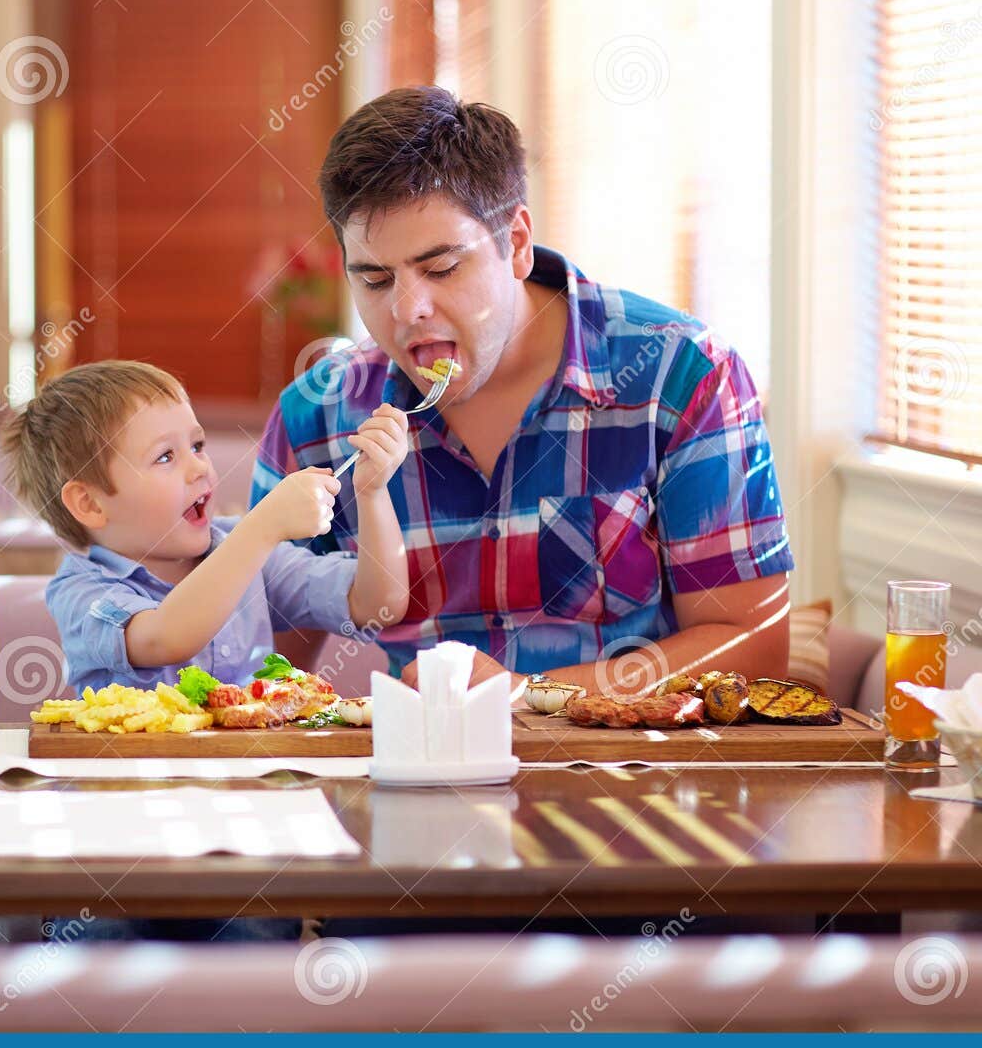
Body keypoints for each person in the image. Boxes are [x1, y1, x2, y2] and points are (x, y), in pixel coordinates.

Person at [253, 86, 793, 694]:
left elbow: (754, 644)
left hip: (634, 755)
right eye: (376, 280)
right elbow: (256, 661)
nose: (407, 310)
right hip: (418, 754)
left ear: (515, 244)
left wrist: (525, 696)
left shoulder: (683, 375)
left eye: (441, 269)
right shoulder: (317, 417)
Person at [0, 359, 411, 695]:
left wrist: (372, 493)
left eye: (197, 446)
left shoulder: (241, 547)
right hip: (132, 774)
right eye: (165, 457)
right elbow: (164, 638)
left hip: (251, 770)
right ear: (89, 504)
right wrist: (262, 527)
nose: (199, 467)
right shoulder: (82, 591)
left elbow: (379, 605)